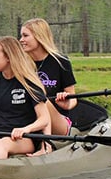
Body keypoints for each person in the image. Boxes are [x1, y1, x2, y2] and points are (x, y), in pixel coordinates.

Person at [19, 18, 77, 151]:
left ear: (39, 37)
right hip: (28, 116)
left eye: (25, 35)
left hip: (58, 120)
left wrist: (67, 102)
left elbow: (73, 97)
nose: (21, 40)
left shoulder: (61, 61)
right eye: (21, 35)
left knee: (40, 97)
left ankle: (46, 145)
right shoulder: (21, 64)